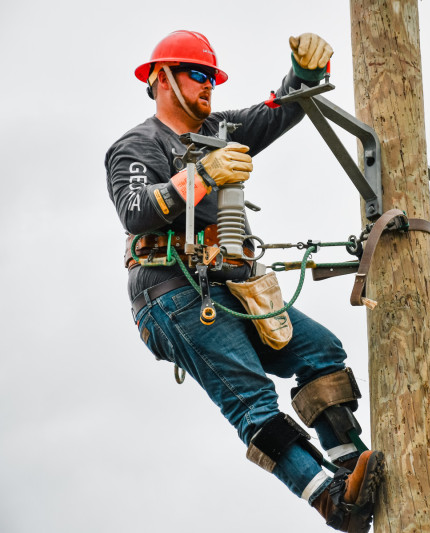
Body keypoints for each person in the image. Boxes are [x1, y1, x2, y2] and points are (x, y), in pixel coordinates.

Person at [105, 30, 383, 532]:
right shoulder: (136, 146)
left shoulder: (220, 127)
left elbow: (280, 109)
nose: (209, 83)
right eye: (198, 74)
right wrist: (201, 175)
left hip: (231, 286)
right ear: (160, 78)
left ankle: (349, 464)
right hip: (173, 293)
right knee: (252, 400)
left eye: (213, 76)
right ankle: (333, 502)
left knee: (320, 350)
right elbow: (135, 211)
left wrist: (305, 74)